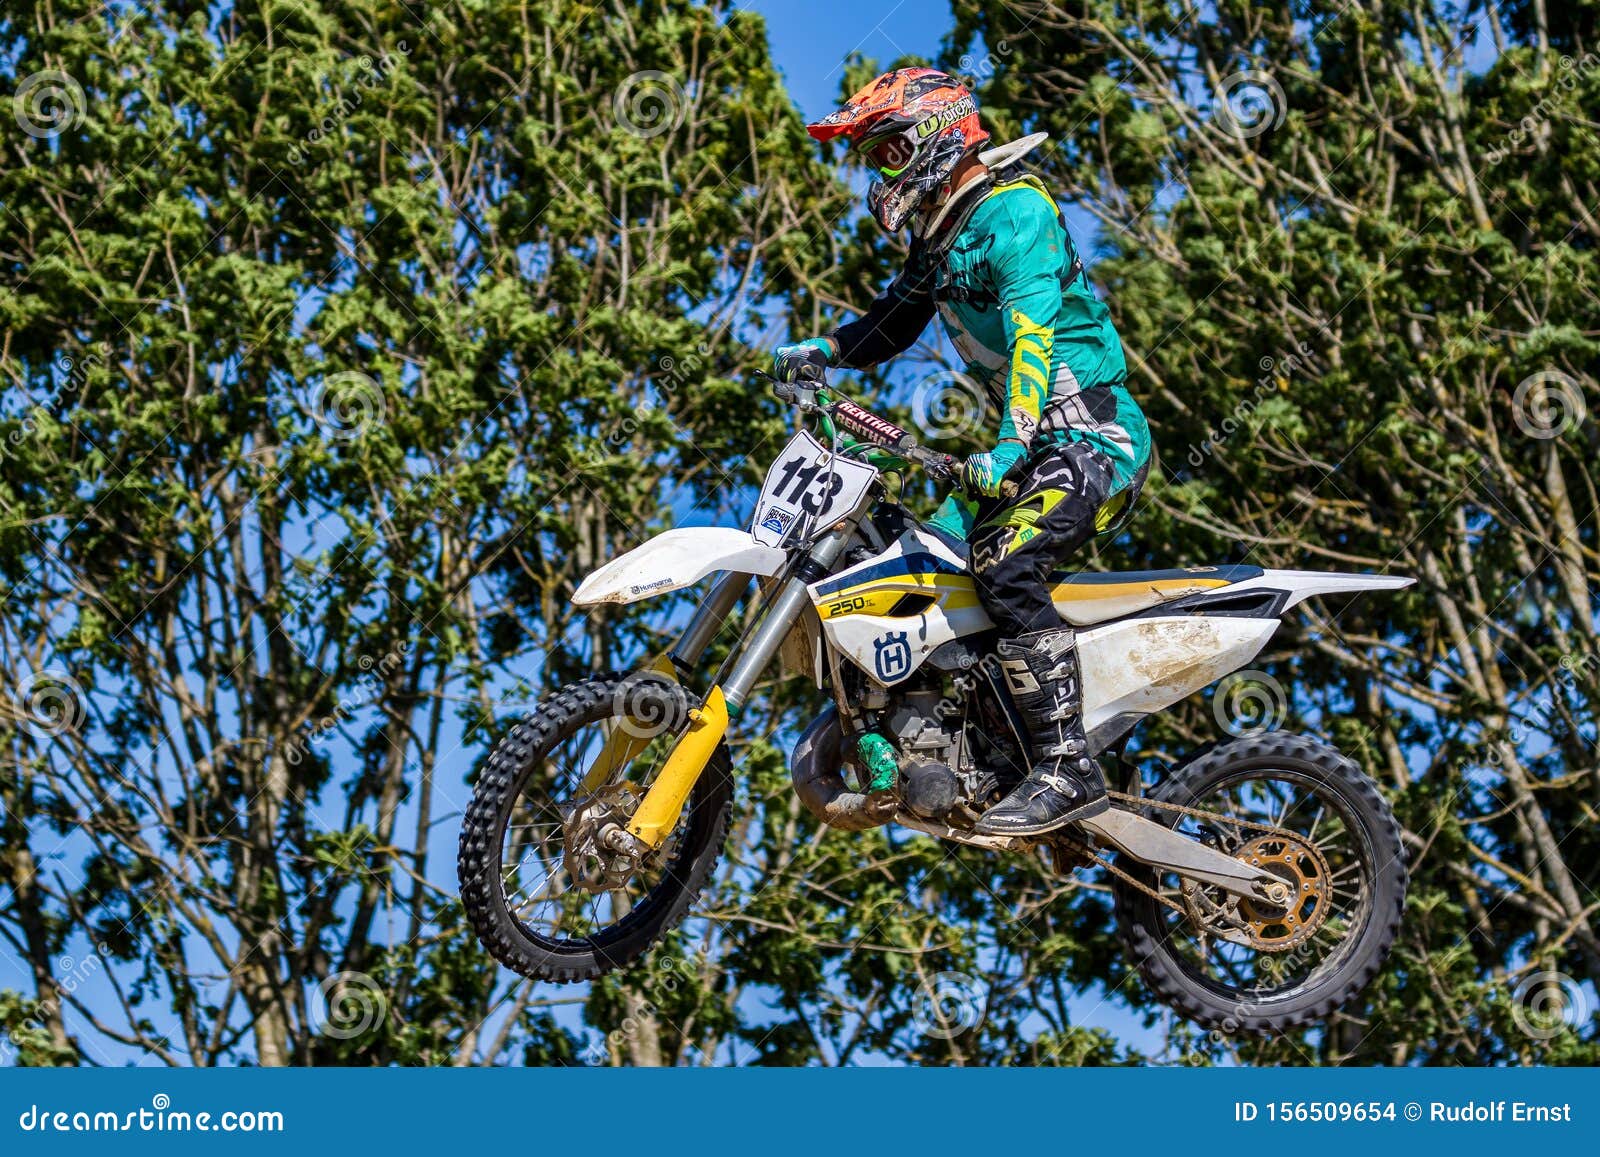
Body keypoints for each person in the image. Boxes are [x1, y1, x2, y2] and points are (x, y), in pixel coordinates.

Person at [773, 68, 1152, 837]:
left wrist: (1012, 440)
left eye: (883, 156)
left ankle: (1068, 765)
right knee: (914, 563)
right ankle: (980, 742)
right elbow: (892, 322)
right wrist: (823, 349)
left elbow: (1032, 336)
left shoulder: (1016, 212)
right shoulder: (943, 233)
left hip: (1091, 438)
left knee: (1005, 555)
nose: (876, 178)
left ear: (931, 140)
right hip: (1026, 445)